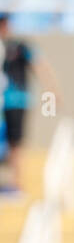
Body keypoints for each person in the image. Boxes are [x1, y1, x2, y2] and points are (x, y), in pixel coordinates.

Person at [0, 14, 60, 194]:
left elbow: (40, 65)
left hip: (15, 100)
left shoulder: (19, 46)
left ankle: (16, 183)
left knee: (15, 142)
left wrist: (51, 90)